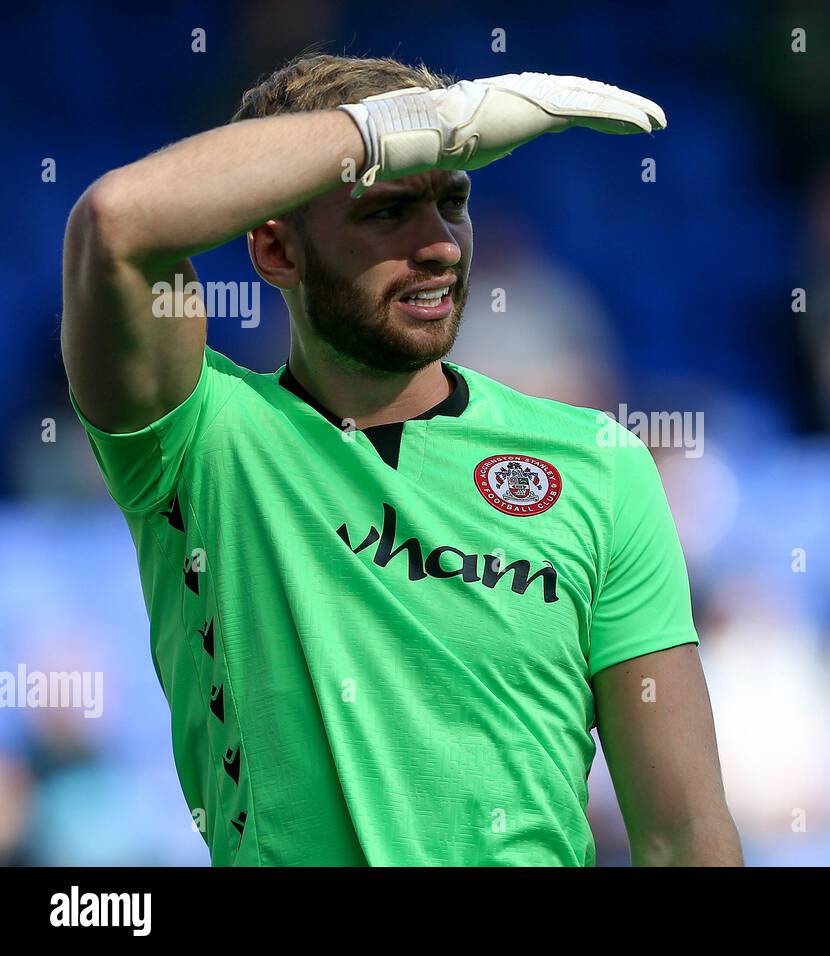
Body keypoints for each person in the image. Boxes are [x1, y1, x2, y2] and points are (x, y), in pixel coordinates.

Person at [60, 52, 742, 866]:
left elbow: (683, 833)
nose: (441, 247)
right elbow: (117, 222)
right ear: (276, 250)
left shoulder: (600, 465)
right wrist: (406, 131)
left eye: (453, 201)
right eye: (387, 212)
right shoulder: (203, 441)